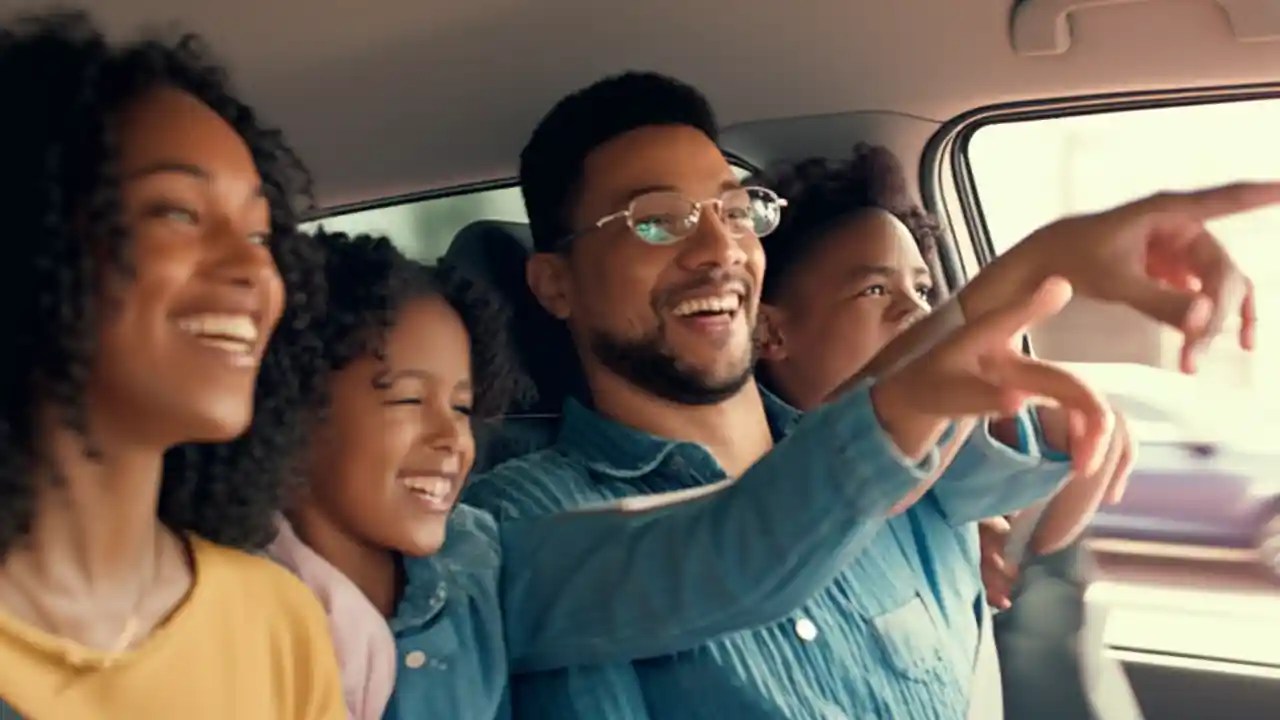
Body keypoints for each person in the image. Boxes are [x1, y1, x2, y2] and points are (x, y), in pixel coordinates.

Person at [461, 71, 1271, 720]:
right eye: (657, 221)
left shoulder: (910, 487)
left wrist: (1048, 268)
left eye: (737, 210)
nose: (720, 248)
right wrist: (1030, 271)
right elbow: (741, 541)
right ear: (554, 283)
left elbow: (891, 427)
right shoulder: (512, 530)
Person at [268, 229, 1092, 720]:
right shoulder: (234, 608)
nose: (454, 441)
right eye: (408, 399)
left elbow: (725, 548)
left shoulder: (482, 568)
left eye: (461, 405)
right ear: (288, 410)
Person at [0, 12, 343, 719]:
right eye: (178, 213)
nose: (254, 268)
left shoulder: (280, 623)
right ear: (31, 238)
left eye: (259, 232)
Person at [751, 144, 1144, 718]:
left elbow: (1017, 485)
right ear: (772, 333)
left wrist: (1071, 434)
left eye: (924, 291)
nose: (915, 312)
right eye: (875, 291)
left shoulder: (943, 452)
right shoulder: (762, 495)